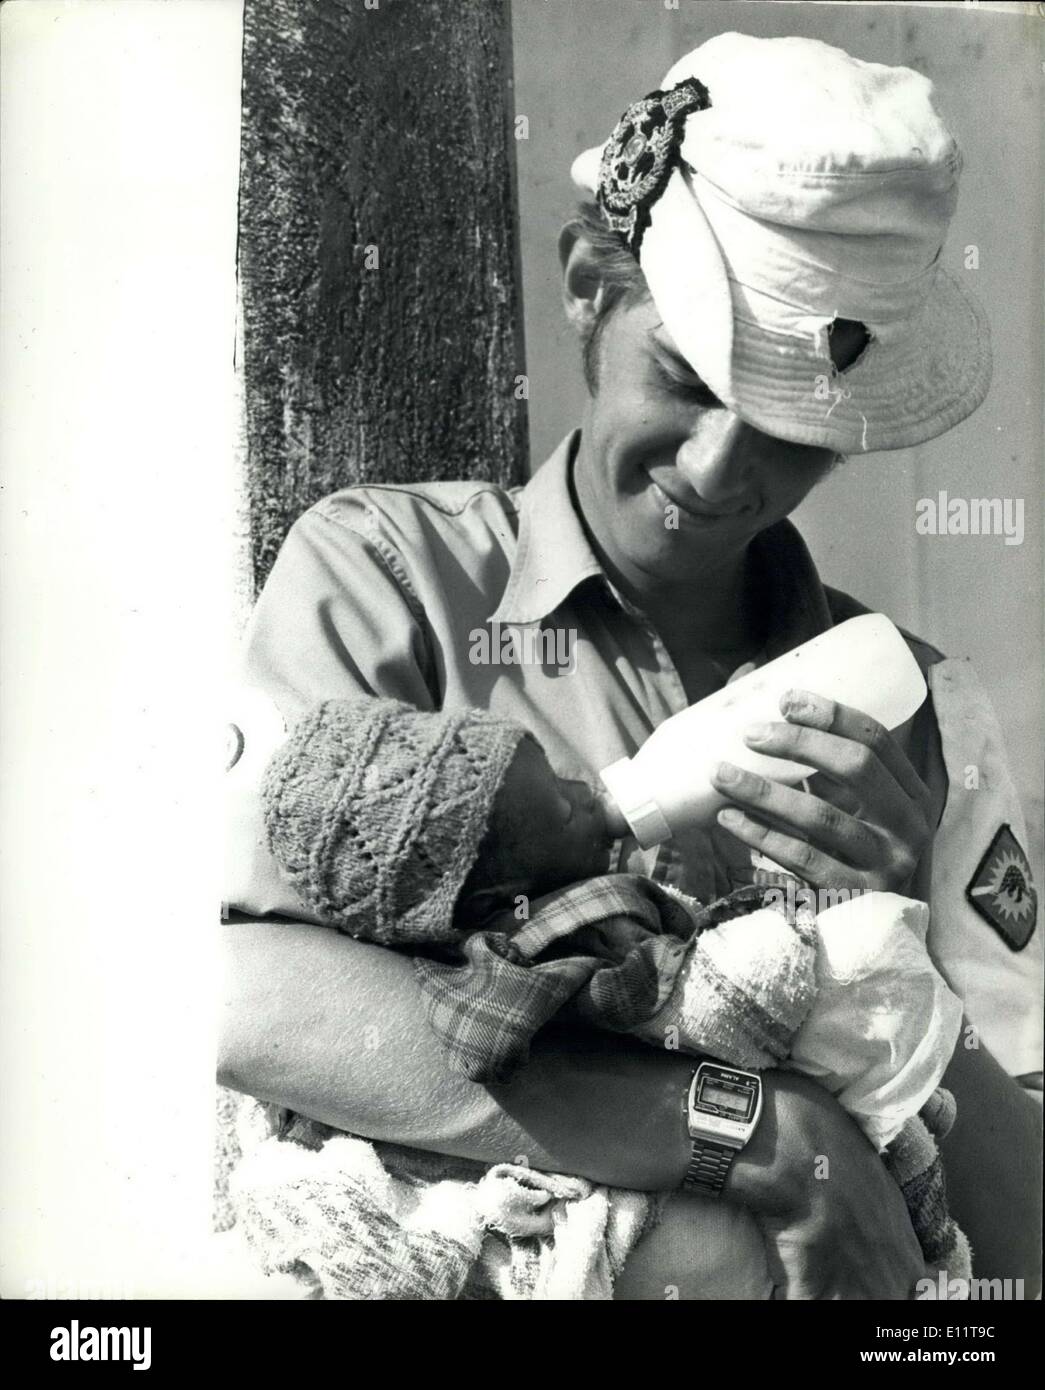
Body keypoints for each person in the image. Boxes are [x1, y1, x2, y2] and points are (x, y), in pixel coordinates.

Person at [220, 32, 1042, 1299]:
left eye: (790, 432)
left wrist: (914, 965)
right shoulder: (394, 580)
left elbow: (1027, 1225)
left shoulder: (919, 713)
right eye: (686, 377)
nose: (717, 472)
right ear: (589, 288)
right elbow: (248, 1002)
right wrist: (759, 1133)